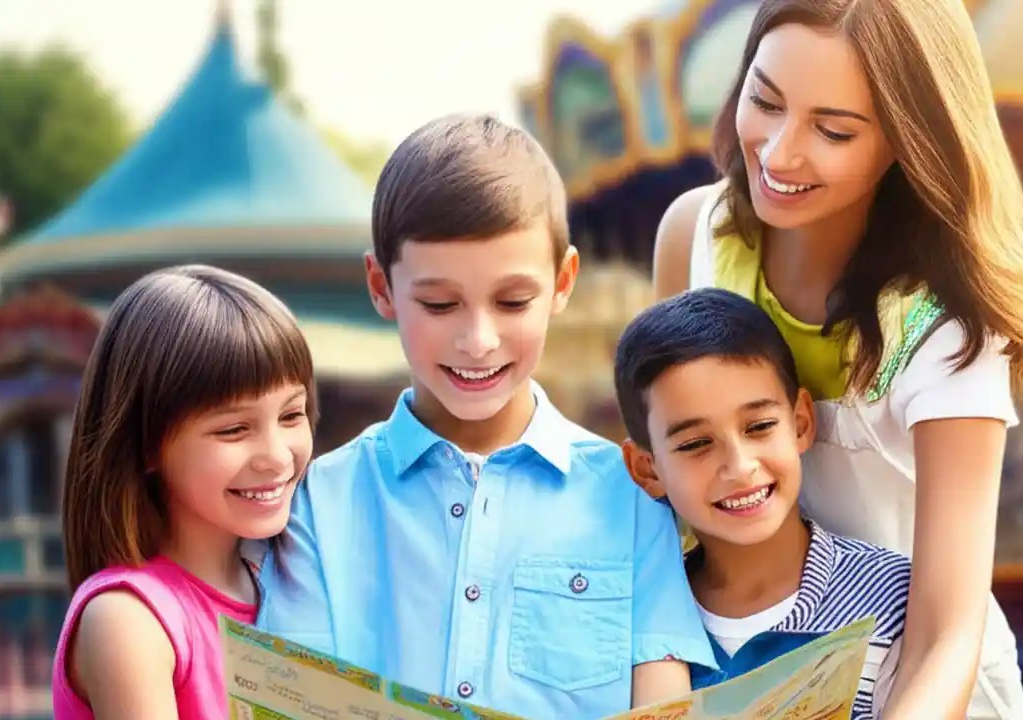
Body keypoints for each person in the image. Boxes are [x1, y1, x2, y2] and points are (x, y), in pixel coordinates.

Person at [651, 1, 1023, 717]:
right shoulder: (694, 235)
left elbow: (944, 632)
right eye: (765, 101)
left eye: (833, 130)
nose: (779, 154)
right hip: (751, 671)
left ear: (909, 140)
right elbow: (660, 496)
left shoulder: (950, 325)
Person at [257, 113, 713, 718]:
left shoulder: (632, 500)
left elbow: (664, 704)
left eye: (512, 301)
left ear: (562, 282)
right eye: (440, 304)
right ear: (381, 286)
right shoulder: (319, 503)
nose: (478, 340)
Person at [615, 288, 912, 719]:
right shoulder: (631, 619)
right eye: (697, 443)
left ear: (801, 423)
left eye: (759, 426)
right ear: (647, 469)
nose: (739, 466)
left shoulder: (891, 597)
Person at [52, 265, 318, 719]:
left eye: (292, 416)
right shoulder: (129, 619)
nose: (276, 456)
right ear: (147, 445)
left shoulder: (296, 581)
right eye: (234, 429)